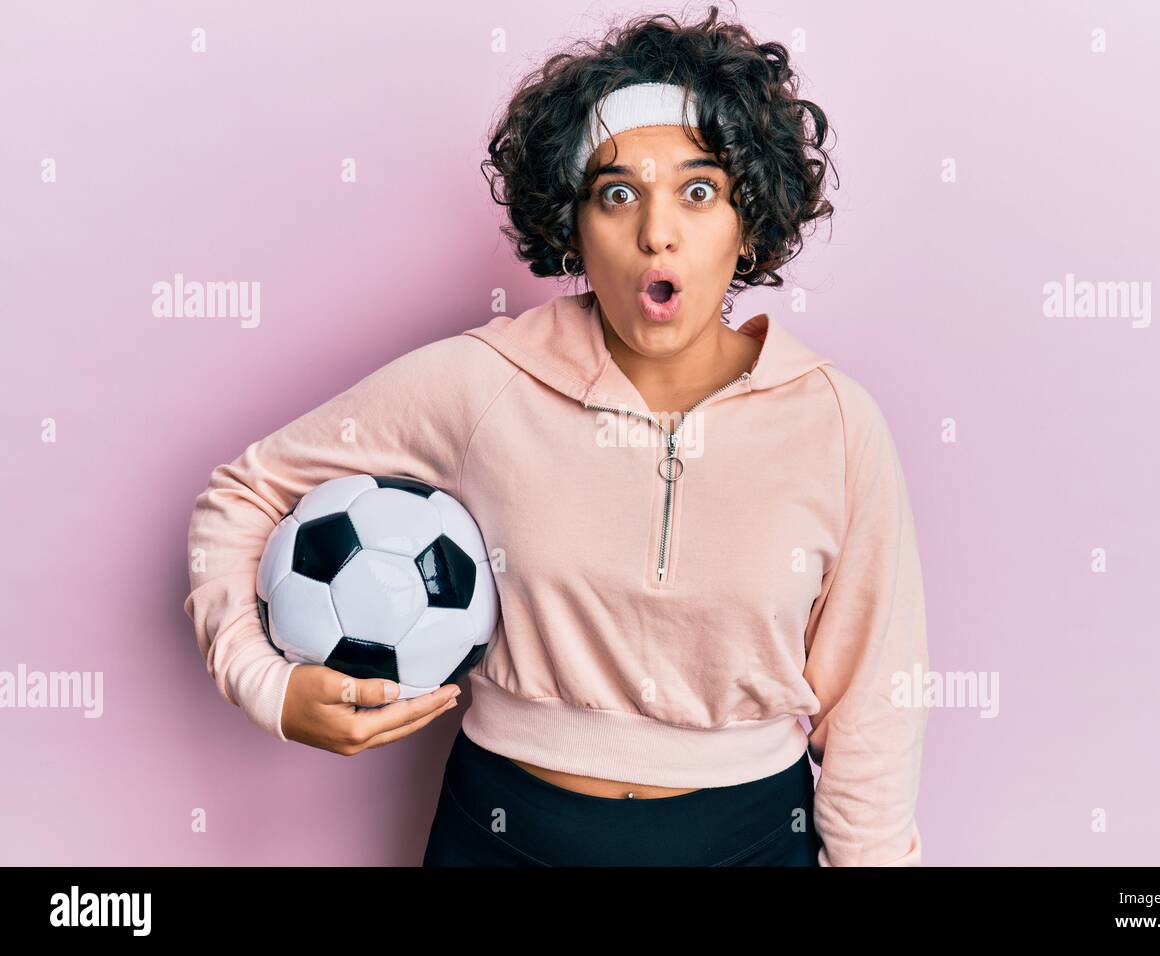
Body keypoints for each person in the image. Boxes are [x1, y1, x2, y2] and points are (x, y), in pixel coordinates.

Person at [182, 6, 929, 867]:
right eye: (618, 195)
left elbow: (873, 704)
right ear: (573, 226)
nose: (658, 232)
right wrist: (266, 686)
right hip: (505, 832)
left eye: (699, 190)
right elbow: (242, 494)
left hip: (751, 839)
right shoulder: (483, 383)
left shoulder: (835, 425)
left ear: (748, 221)